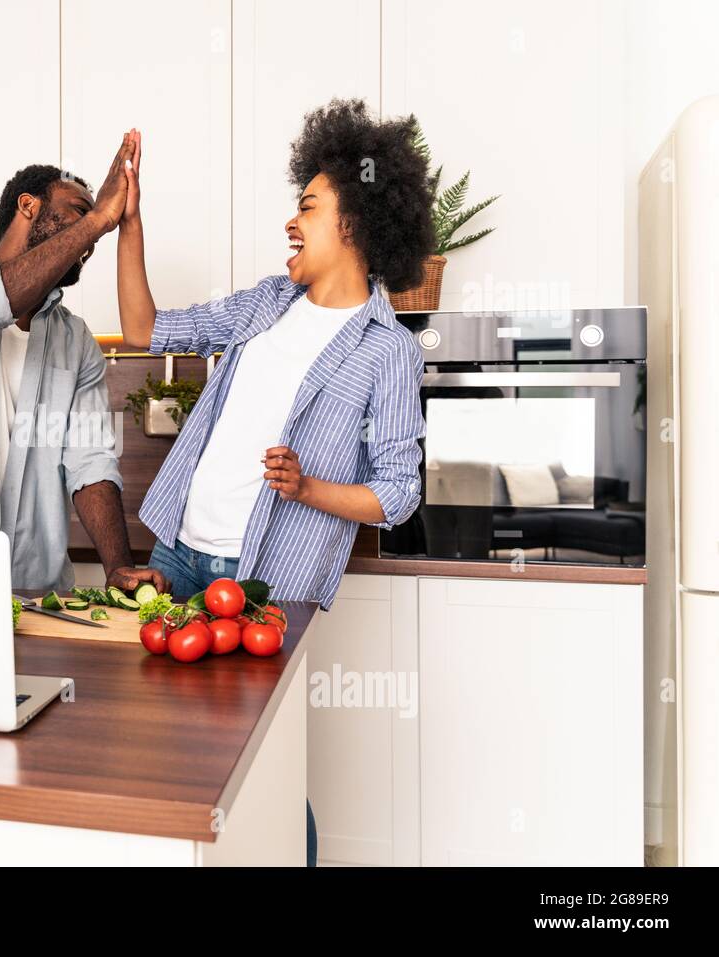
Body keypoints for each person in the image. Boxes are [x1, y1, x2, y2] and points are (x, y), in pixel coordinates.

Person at [116, 100, 434, 866]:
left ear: (352, 224)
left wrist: (307, 486)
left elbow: (397, 493)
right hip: (184, 555)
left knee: (259, 772)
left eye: (307, 207)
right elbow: (142, 330)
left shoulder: (388, 350)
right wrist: (128, 221)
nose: (290, 222)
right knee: (174, 762)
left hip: (262, 581)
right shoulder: (268, 302)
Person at [0, 138, 169, 596]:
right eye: (79, 211)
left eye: (96, 219)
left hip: (35, 590)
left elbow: (90, 461)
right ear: (29, 206)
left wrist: (118, 566)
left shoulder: (75, 339)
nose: (94, 234)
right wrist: (102, 217)